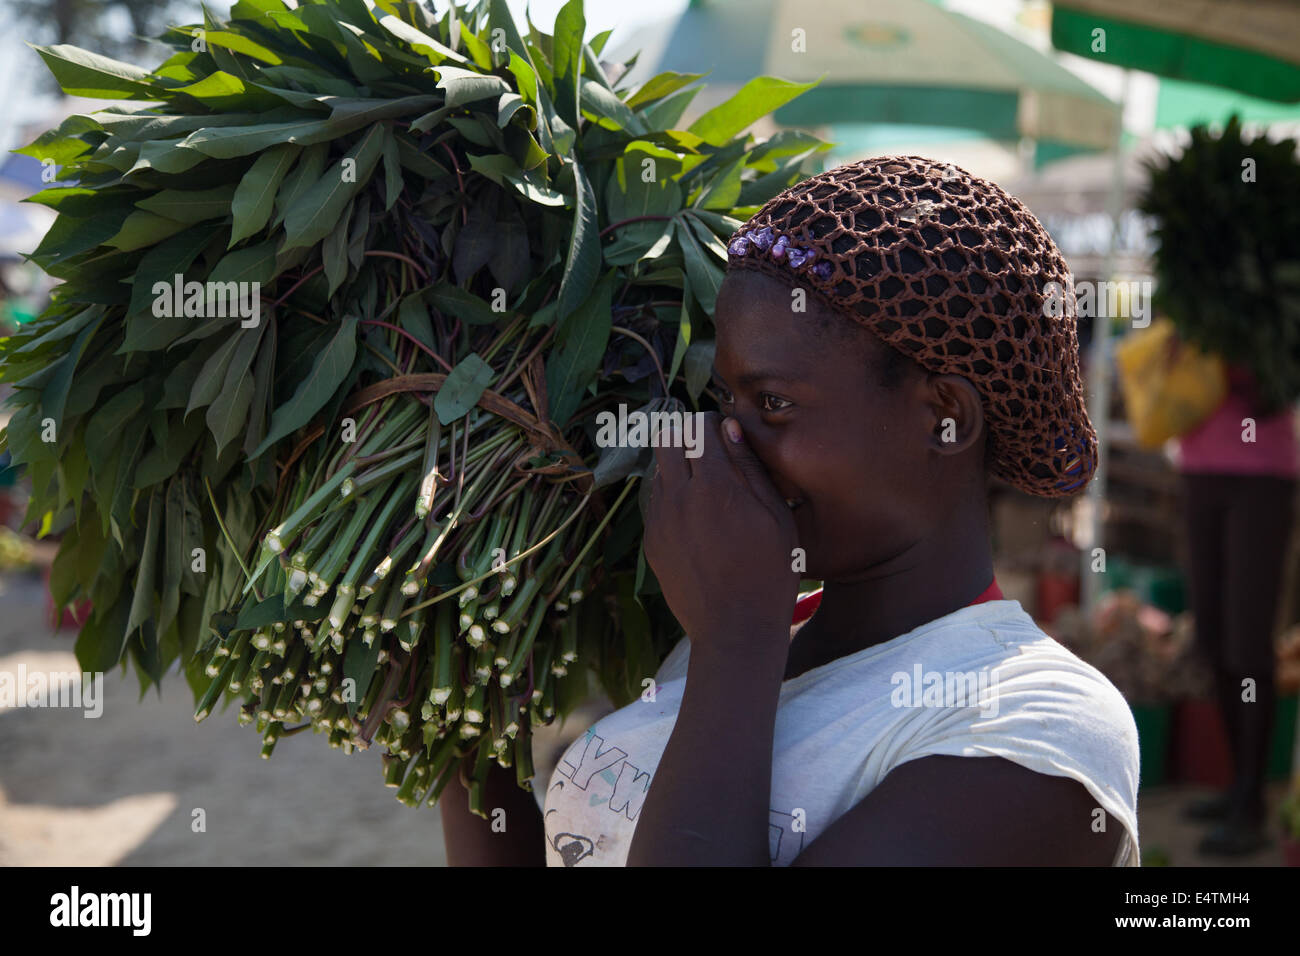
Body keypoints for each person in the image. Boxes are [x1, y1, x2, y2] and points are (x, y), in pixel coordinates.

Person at [439, 155, 1141, 866]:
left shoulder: (1041, 728)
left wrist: (735, 640)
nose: (730, 440)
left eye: (774, 403)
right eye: (725, 402)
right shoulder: (740, 632)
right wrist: (465, 732)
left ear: (944, 417)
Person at [1173, 359, 1299, 856]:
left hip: (1261, 473)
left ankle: (1251, 804)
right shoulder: (1195, 294)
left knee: (1248, 642)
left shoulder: (1270, 297)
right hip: (1199, 463)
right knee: (1211, 638)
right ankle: (1237, 786)